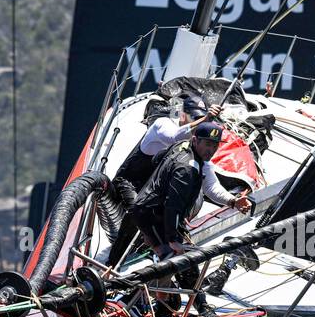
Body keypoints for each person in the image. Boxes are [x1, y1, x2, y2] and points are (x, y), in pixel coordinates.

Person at [103, 96, 251, 266]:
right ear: (182, 115)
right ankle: (113, 263)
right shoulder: (163, 124)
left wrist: (233, 201)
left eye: (202, 119)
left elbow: (211, 186)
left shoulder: (195, 151)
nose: (200, 124)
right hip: (130, 183)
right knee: (136, 214)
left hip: (154, 192)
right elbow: (174, 136)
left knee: (167, 225)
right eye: (196, 119)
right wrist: (206, 119)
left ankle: (159, 259)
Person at [125, 122, 228, 317]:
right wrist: (172, 239)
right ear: (196, 140)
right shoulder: (187, 169)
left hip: (153, 211)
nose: (211, 149)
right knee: (170, 256)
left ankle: (161, 308)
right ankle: (135, 299)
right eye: (207, 144)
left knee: (177, 260)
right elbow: (173, 205)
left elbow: (157, 158)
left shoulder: (182, 149)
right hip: (152, 214)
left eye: (215, 145)